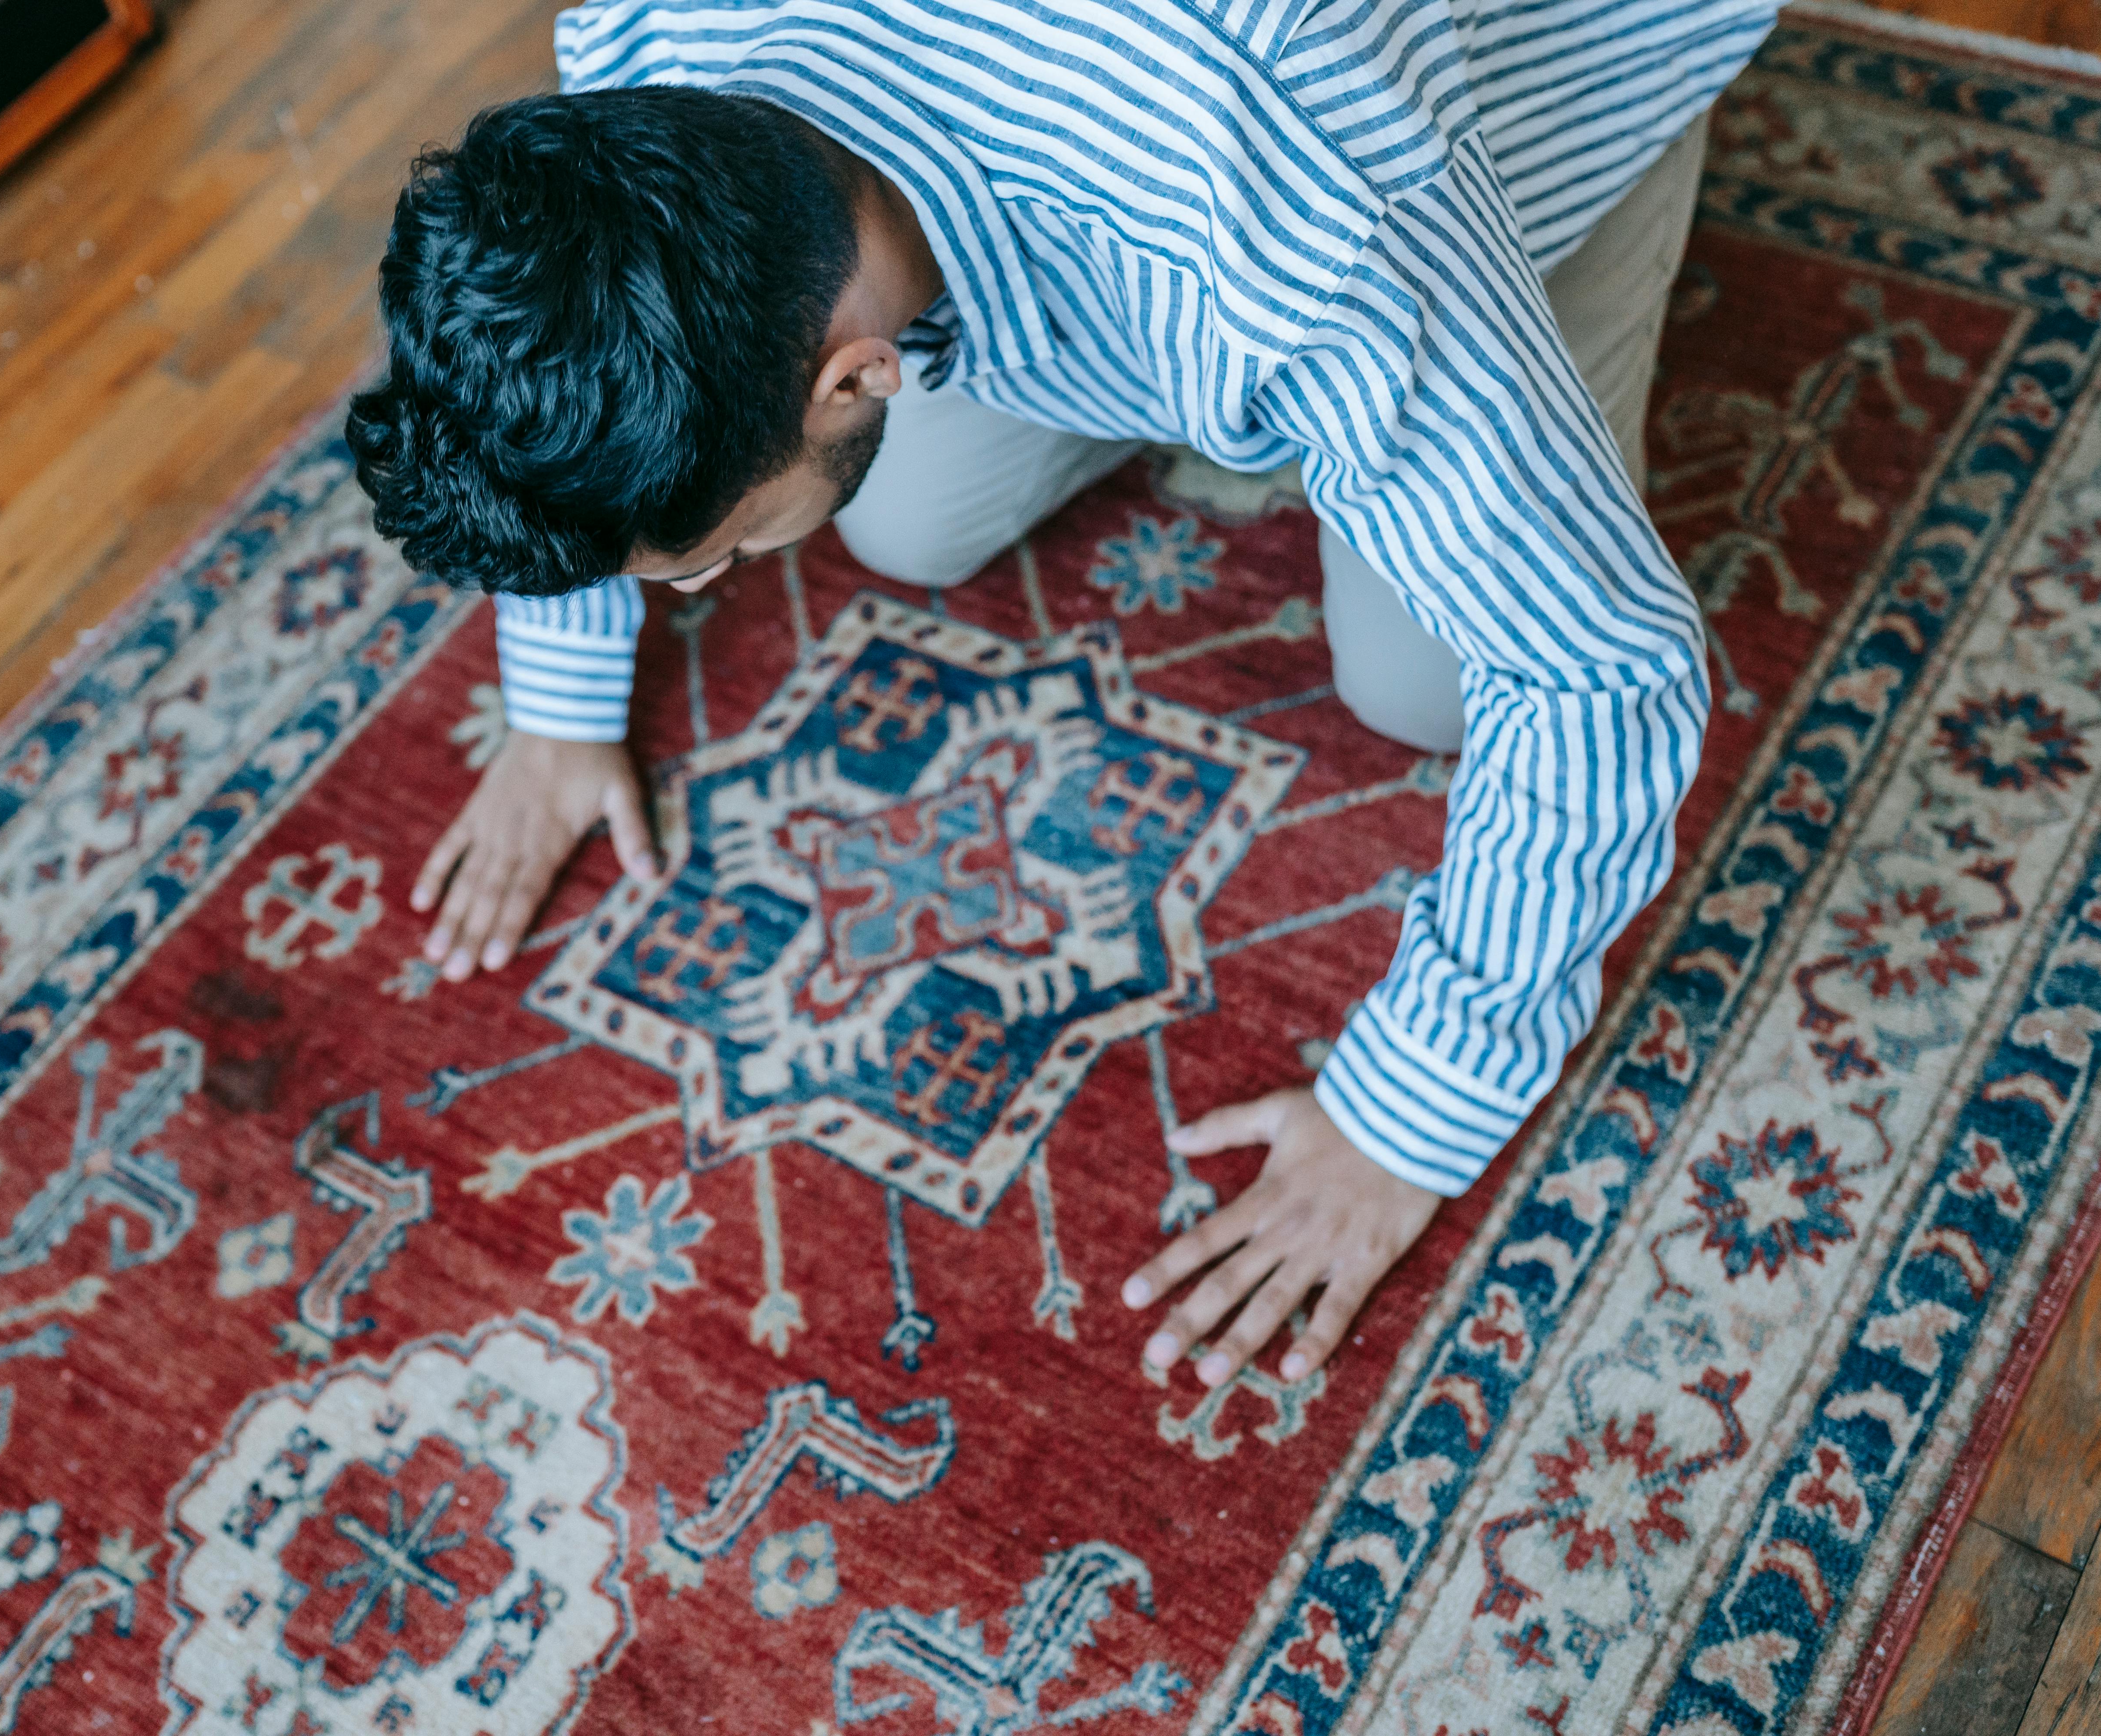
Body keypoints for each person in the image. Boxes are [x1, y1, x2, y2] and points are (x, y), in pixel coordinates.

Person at [347, 0, 1767, 1391]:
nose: (694, 589)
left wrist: (1406, 1124)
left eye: (704, 560)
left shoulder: (1290, 200)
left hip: (1541, 71)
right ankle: (1263, 403)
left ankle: (1398, 344)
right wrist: (558, 706)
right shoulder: (641, 44)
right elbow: (574, 339)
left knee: (1429, 684)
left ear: (853, 375)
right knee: (901, 530)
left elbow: (1598, 668)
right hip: (1095, 201)